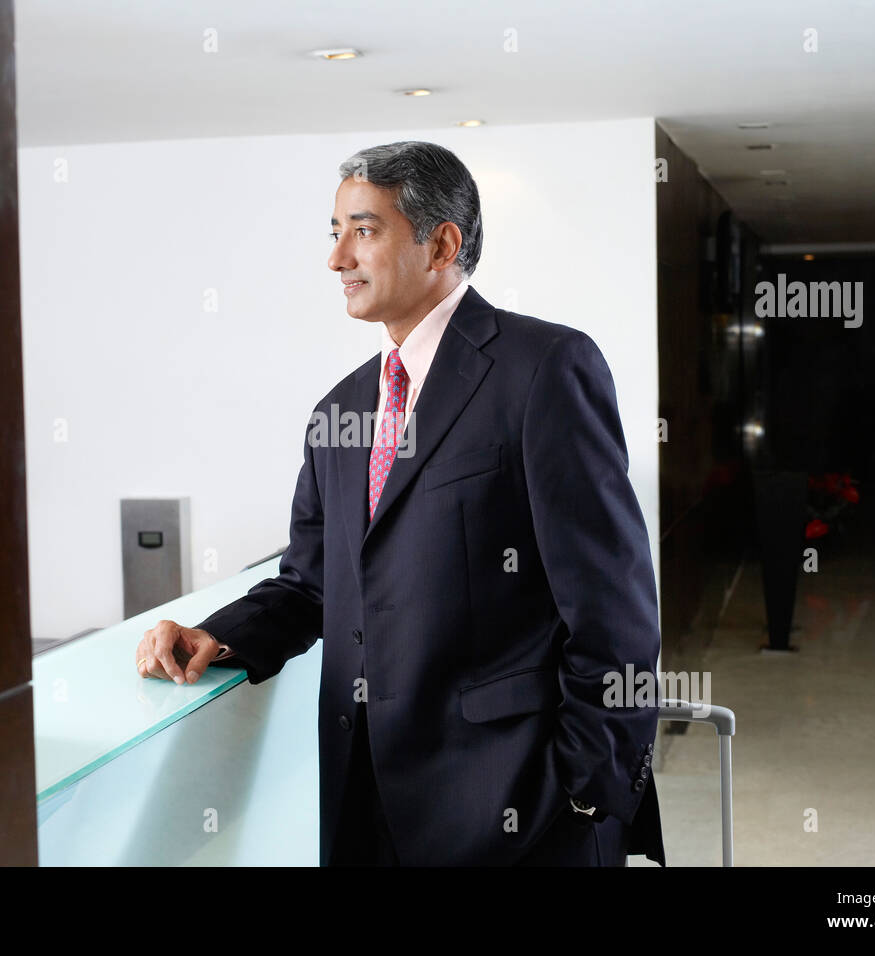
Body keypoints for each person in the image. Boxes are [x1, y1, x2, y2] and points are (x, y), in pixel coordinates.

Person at [135, 141, 665, 867]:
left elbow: (615, 610)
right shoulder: (340, 409)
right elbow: (313, 582)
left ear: (440, 242)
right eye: (334, 233)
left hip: (522, 813)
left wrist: (584, 792)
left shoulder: (544, 370)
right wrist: (218, 637)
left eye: (364, 229)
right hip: (367, 807)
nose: (337, 259)